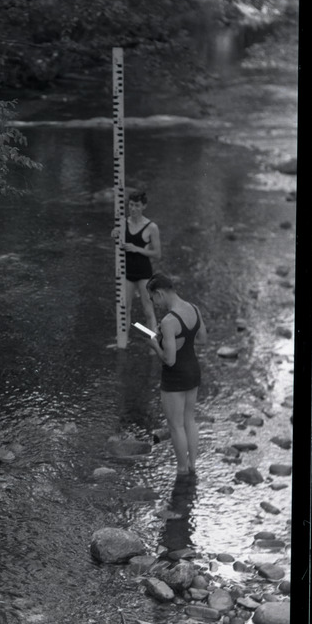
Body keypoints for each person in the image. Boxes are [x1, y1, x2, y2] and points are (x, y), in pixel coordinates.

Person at [144, 273, 208, 483]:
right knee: (189, 420)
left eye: (153, 299)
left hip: (175, 377)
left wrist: (155, 343)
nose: (155, 304)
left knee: (175, 425)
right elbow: (202, 339)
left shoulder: (169, 321)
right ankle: (192, 466)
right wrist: (177, 341)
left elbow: (169, 360)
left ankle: (182, 471)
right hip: (193, 371)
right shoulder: (193, 308)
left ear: (159, 293)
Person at [110, 191, 161, 331]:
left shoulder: (151, 227)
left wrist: (136, 248)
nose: (133, 209)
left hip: (144, 272)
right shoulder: (122, 223)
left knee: (148, 310)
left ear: (144, 206)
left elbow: (157, 254)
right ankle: (123, 341)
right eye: (131, 205)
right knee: (124, 309)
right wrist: (114, 234)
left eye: (137, 205)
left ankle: (154, 341)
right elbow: (117, 238)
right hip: (126, 271)